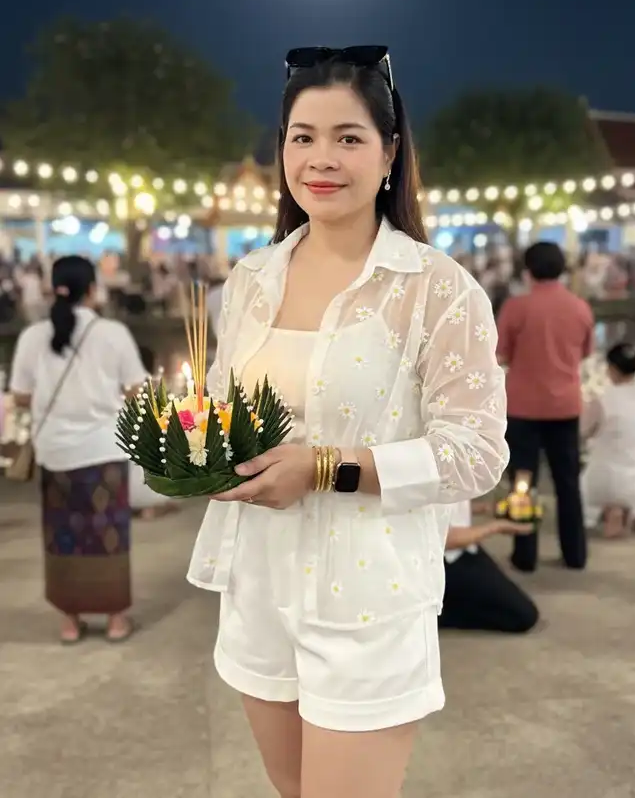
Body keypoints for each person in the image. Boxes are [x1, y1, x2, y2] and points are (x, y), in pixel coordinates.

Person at [187, 46, 508, 798]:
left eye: (348, 137)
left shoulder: (435, 289)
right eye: (303, 137)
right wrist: (194, 447)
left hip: (367, 599)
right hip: (257, 583)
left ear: (390, 153)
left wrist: (325, 467)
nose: (321, 158)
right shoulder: (251, 279)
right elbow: (222, 406)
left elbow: (476, 452)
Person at [9, 255, 147, 644]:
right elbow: (137, 389)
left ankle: (70, 622)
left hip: (56, 452)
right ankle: (116, 620)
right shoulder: (113, 333)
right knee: (108, 536)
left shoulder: (33, 337)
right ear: (92, 289)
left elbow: (20, 396)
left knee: (63, 537)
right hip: (105, 450)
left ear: (53, 288)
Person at [497, 241, 594, 573]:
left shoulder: (516, 307)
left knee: (523, 481)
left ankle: (525, 555)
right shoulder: (580, 307)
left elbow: (501, 353)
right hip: (566, 406)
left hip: (523, 406)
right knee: (568, 481)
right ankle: (575, 554)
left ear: (527, 270)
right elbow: (585, 352)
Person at [440, 501, 539, 633]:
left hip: (466, 549)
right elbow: (443, 539)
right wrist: (496, 527)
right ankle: (436, 612)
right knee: (523, 616)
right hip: (441, 561)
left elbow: (447, 507)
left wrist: (486, 508)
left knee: (518, 609)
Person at [581, 342, 635, 537]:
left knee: (584, 483)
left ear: (611, 369)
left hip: (605, 481)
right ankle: (630, 511)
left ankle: (610, 510)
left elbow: (583, 431)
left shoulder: (602, 400)